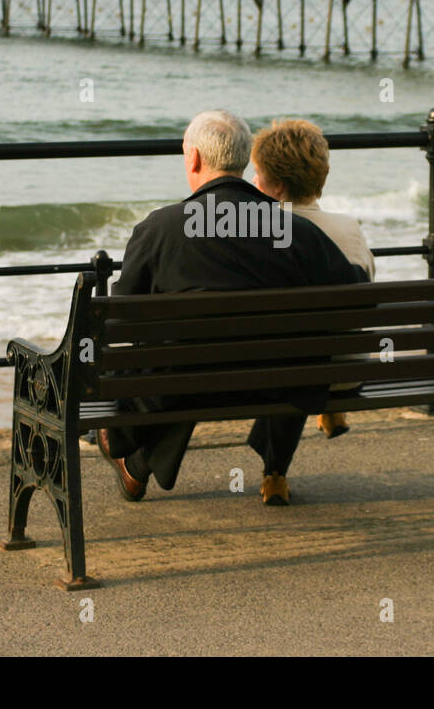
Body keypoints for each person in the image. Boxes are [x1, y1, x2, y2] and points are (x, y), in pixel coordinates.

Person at [97, 110, 365, 507]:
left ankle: (131, 454)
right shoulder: (295, 230)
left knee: (173, 359)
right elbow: (356, 297)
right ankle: (137, 460)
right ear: (243, 162)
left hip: (181, 388)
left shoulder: (159, 228)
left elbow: (119, 319)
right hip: (275, 384)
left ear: (194, 159)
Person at [251, 118, 374, 439]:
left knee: (288, 358)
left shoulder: (257, 231)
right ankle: (331, 409)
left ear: (276, 185)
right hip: (349, 373)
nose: (252, 179)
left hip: (283, 381)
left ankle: (274, 475)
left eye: (258, 173)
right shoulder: (350, 227)